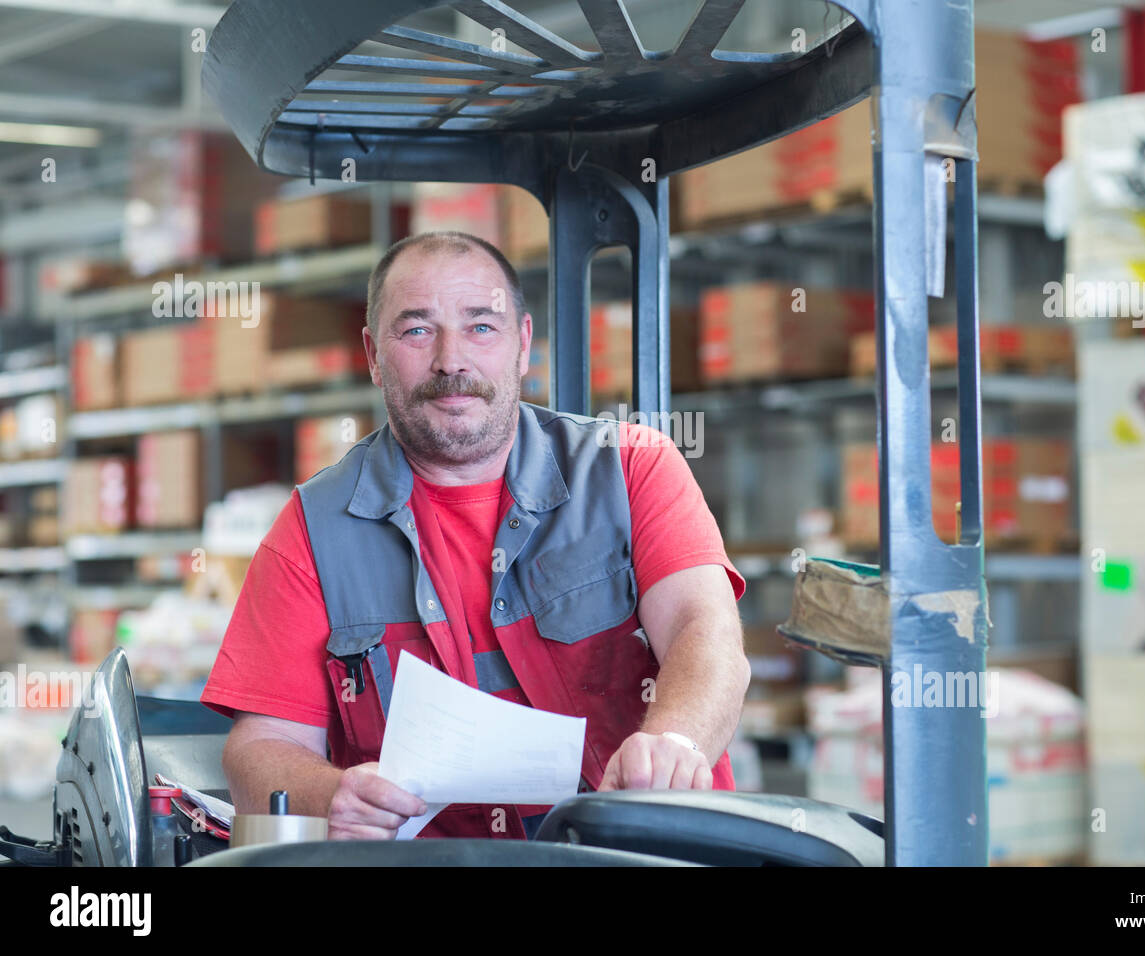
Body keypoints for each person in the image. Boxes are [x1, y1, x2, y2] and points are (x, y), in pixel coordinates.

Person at [201, 230, 750, 841]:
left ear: (522, 345)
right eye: (416, 330)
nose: (451, 361)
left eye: (480, 327)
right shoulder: (313, 530)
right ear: (373, 356)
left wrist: (673, 740)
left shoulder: (632, 468)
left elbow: (708, 634)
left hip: (635, 855)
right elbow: (260, 748)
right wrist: (331, 795)